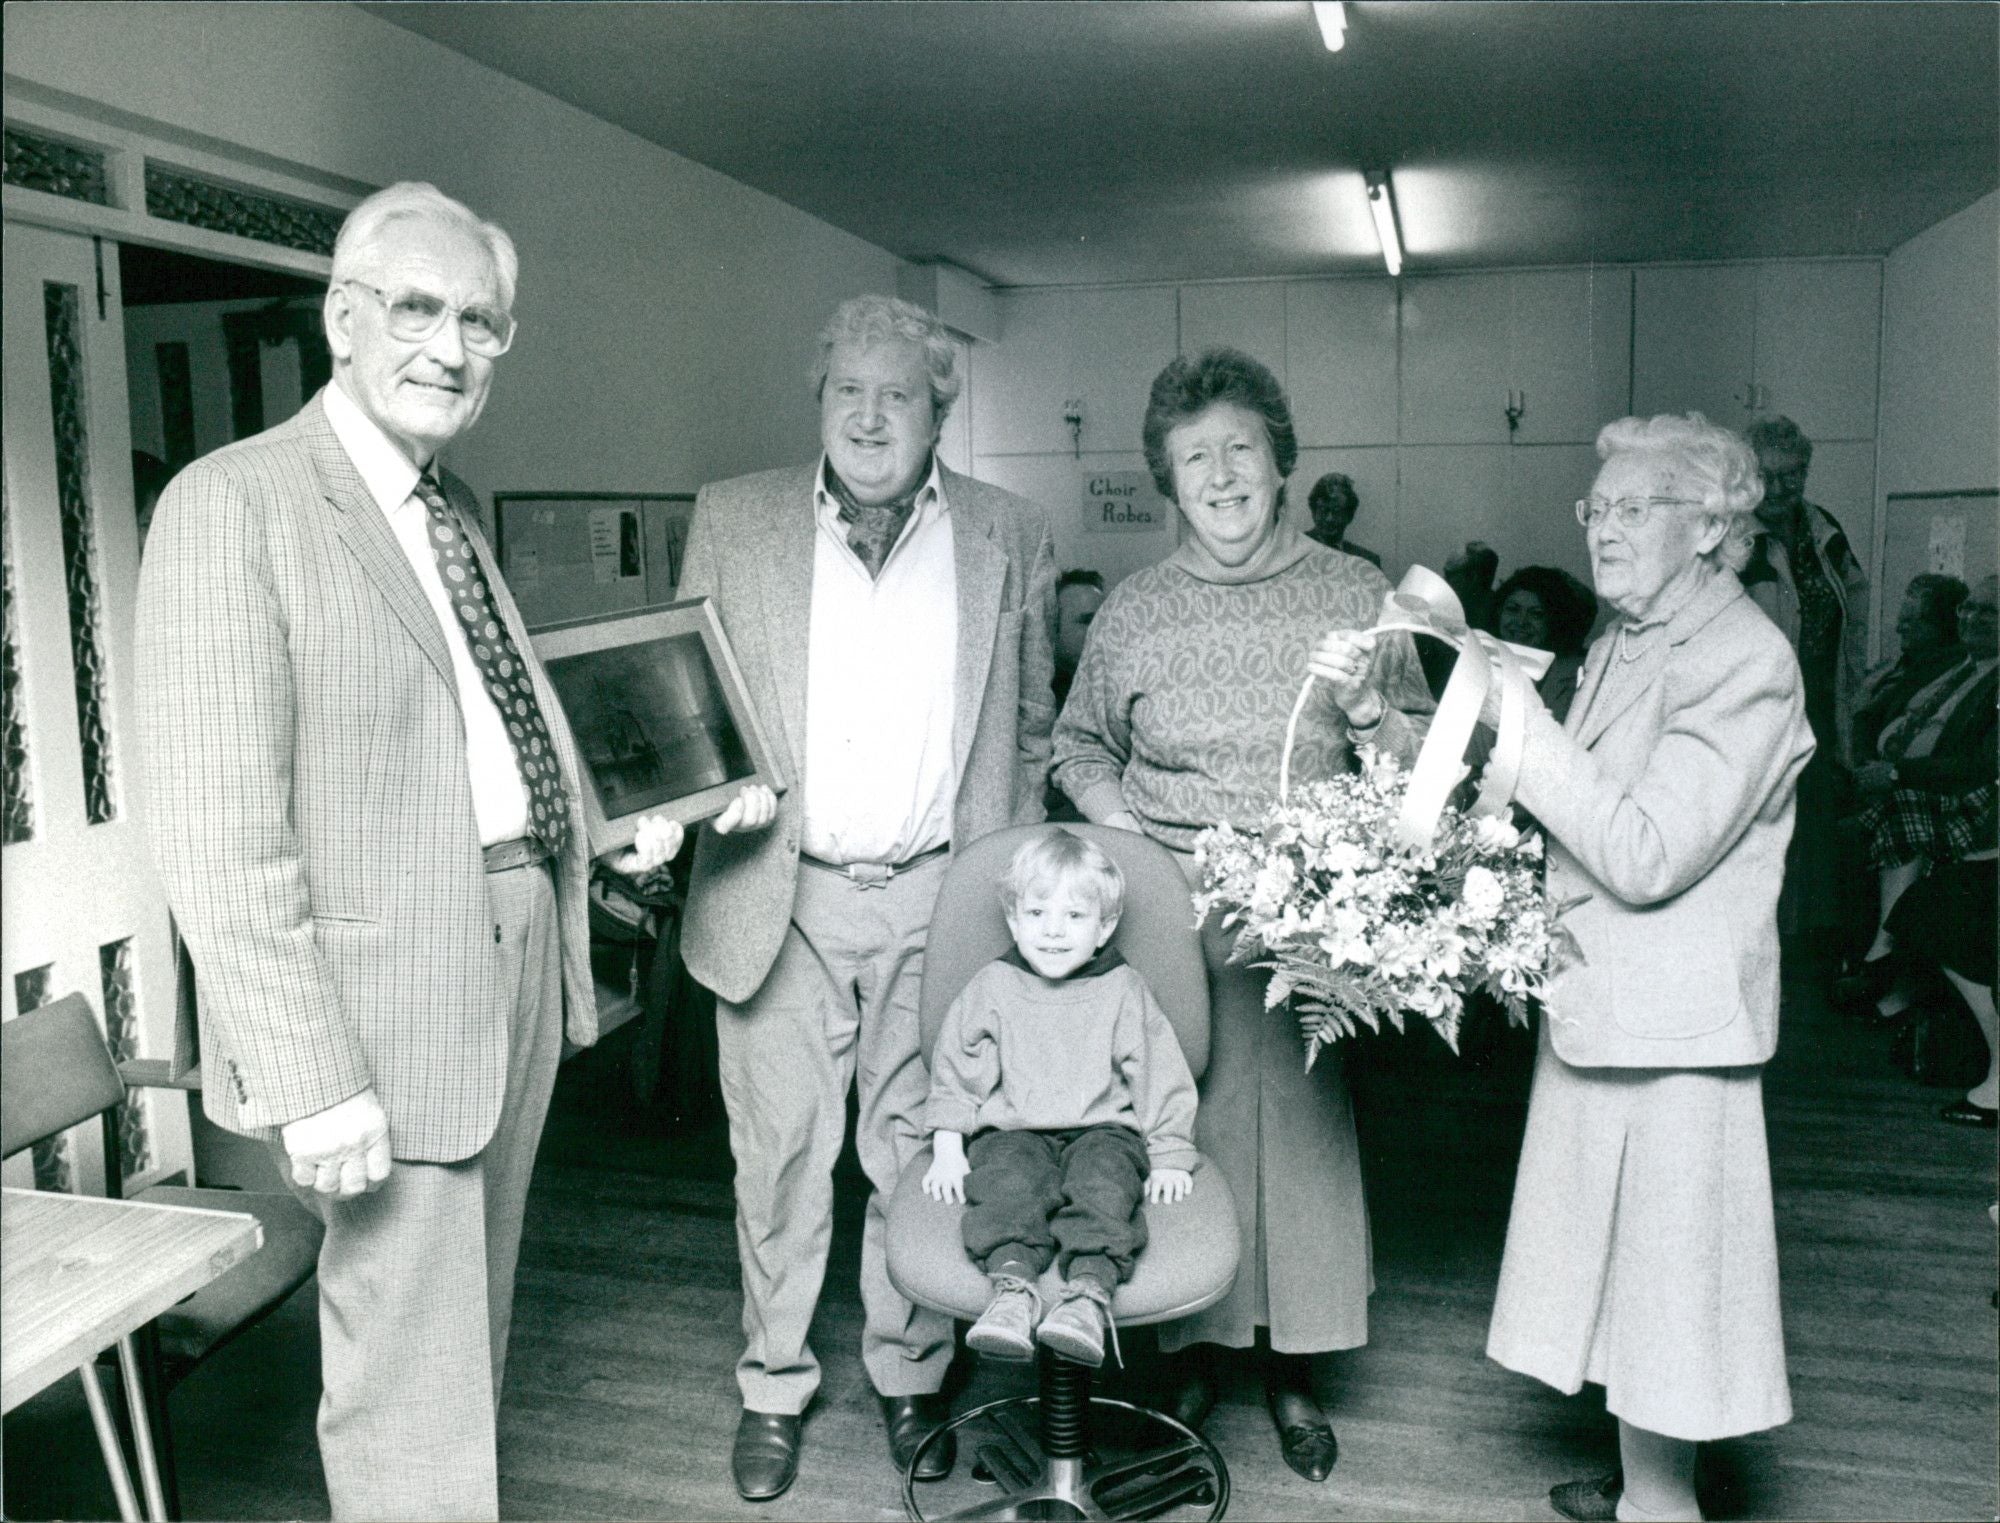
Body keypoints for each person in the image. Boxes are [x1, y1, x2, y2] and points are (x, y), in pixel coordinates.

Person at [133, 182, 692, 1521]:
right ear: (342, 316)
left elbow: (480, 739)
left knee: (458, 1341)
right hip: (376, 1018)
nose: (450, 346)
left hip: (502, 970)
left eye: (482, 322)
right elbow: (216, 828)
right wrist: (315, 1079)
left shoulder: (445, 506)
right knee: (403, 1367)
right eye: (418, 308)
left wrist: (614, 842)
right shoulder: (238, 504)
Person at [674, 293, 1057, 1501]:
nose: (871, 413)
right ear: (818, 397)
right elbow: (687, 702)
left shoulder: (1007, 531)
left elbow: (1032, 724)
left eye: (899, 392)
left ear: (941, 406)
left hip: (943, 895)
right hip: (777, 890)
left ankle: (907, 1372)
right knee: (777, 1153)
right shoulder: (732, 518)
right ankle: (773, 1382)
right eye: (849, 389)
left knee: (914, 1153)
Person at [1053, 348, 1432, 1483]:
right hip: (1166, 926)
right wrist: (1129, 842)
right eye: (1192, 457)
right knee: (1183, 1138)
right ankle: (1188, 1352)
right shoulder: (1135, 608)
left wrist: (1368, 709)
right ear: (1166, 479)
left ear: (1279, 466)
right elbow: (1075, 743)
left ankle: (1293, 1363)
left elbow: (1416, 759)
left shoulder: (1352, 593)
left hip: (1307, 928)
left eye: (1239, 451)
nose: (1218, 476)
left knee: (1301, 1148)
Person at [1476, 414, 1814, 1523]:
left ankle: (1661, 1505)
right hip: (1604, 1004)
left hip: (1674, 1028)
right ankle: (1648, 1482)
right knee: (1633, 1280)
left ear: (1711, 524)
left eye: (1633, 509)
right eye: (1595, 507)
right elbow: (1570, 795)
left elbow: (1644, 849)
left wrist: (1518, 730)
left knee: (1673, 1295)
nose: (1602, 530)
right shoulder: (1632, 630)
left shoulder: (1745, 657)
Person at [920, 829, 1198, 1368]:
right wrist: (948, 1145)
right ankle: (1012, 1292)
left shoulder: (1124, 989)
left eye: (1074, 917)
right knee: (1007, 1185)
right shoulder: (992, 985)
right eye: (1038, 913)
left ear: (1105, 928)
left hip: (1103, 1132)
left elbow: (1160, 1076)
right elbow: (957, 1069)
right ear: (1013, 919)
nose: (1053, 931)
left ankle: (1087, 1298)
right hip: (1013, 1132)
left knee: (1105, 1185)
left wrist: (1168, 1155)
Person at [1847, 577, 1998, 1039]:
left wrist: (1897, 774)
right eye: (1967, 609)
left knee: (1899, 809)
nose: (1970, 619)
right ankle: (1893, 979)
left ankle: (1885, 949)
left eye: (1987, 613)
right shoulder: (1967, 668)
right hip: (1922, 788)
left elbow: (1985, 762)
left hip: (1974, 805)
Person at [1741, 414, 1869, 948]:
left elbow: (1856, 599)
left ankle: (1805, 945)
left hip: (1821, 695)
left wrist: (1855, 677)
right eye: (1766, 476)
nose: (1780, 489)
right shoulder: (1736, 535)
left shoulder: (1822, 527)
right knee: (1763, 816)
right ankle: (1761, 939)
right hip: (1760, 701)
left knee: (1813, 817)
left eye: (1792, 474)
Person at [1492, 564, 1600, 722]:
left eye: (1536, 614)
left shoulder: (1573, 677)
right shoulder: (1484, 657)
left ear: (1554, 621)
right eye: (1513, 609)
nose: (1521, 622)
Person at [1303, 471, 1381, 566]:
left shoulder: (1367, 562)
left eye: (1337, 511)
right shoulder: (1293, 551)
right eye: (1324, 510)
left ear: (1350, 516)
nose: (1329, 519)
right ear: (1313, 512)